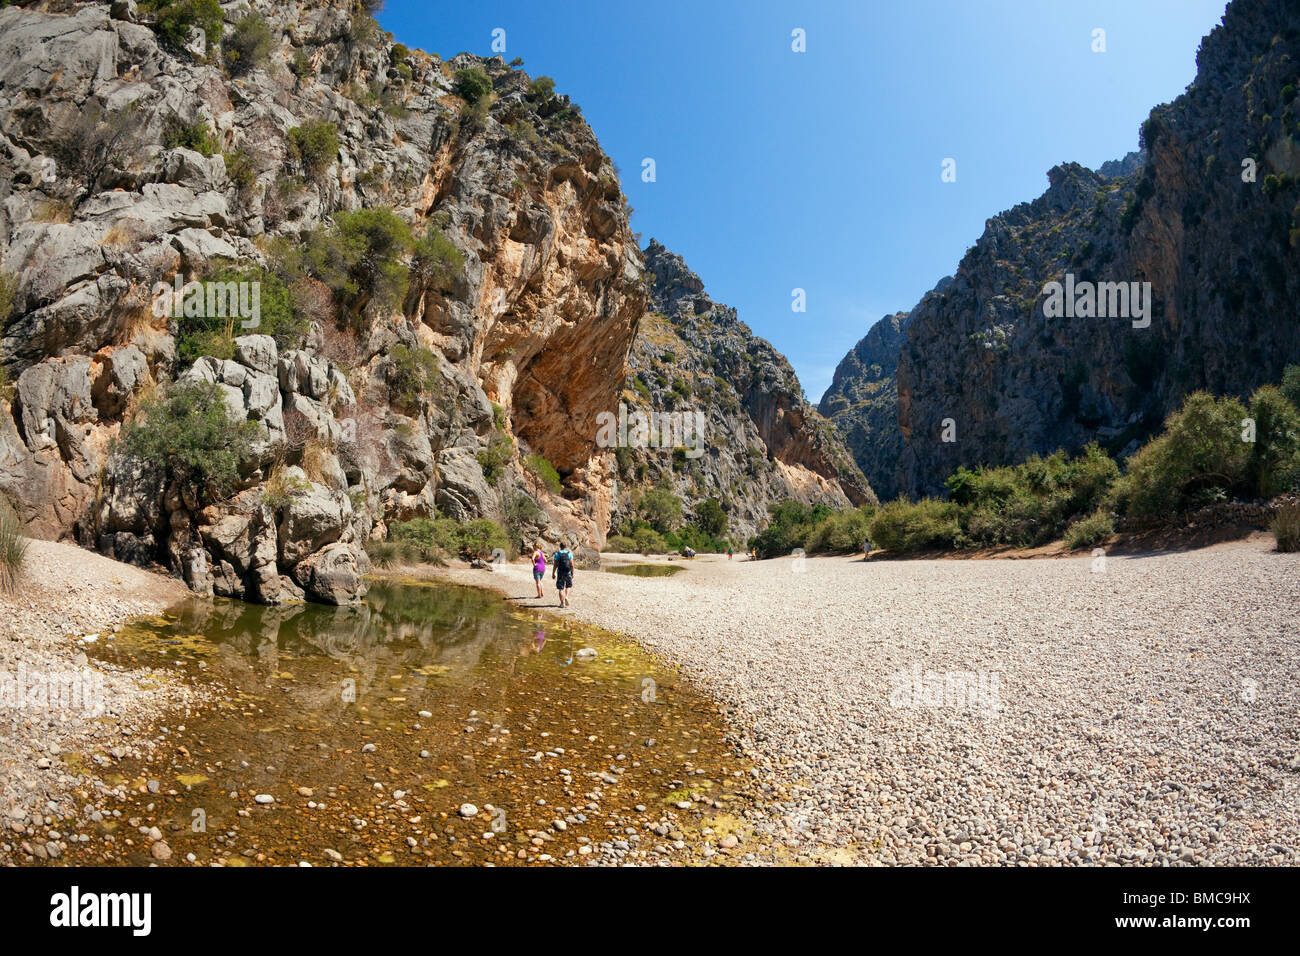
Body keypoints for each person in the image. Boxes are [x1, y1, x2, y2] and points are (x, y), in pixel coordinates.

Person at [552, 540, 575, 607]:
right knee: (568, 586)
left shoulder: (557, 554)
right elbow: (572, 565)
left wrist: (553, 573)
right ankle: (566, 597)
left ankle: (562, 603)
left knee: (560, 588)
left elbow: (555, 565)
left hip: (560, 572)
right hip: (568, 572)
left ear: (560, 546)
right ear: (565, 546)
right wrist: (572, 573)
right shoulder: (569, 553)